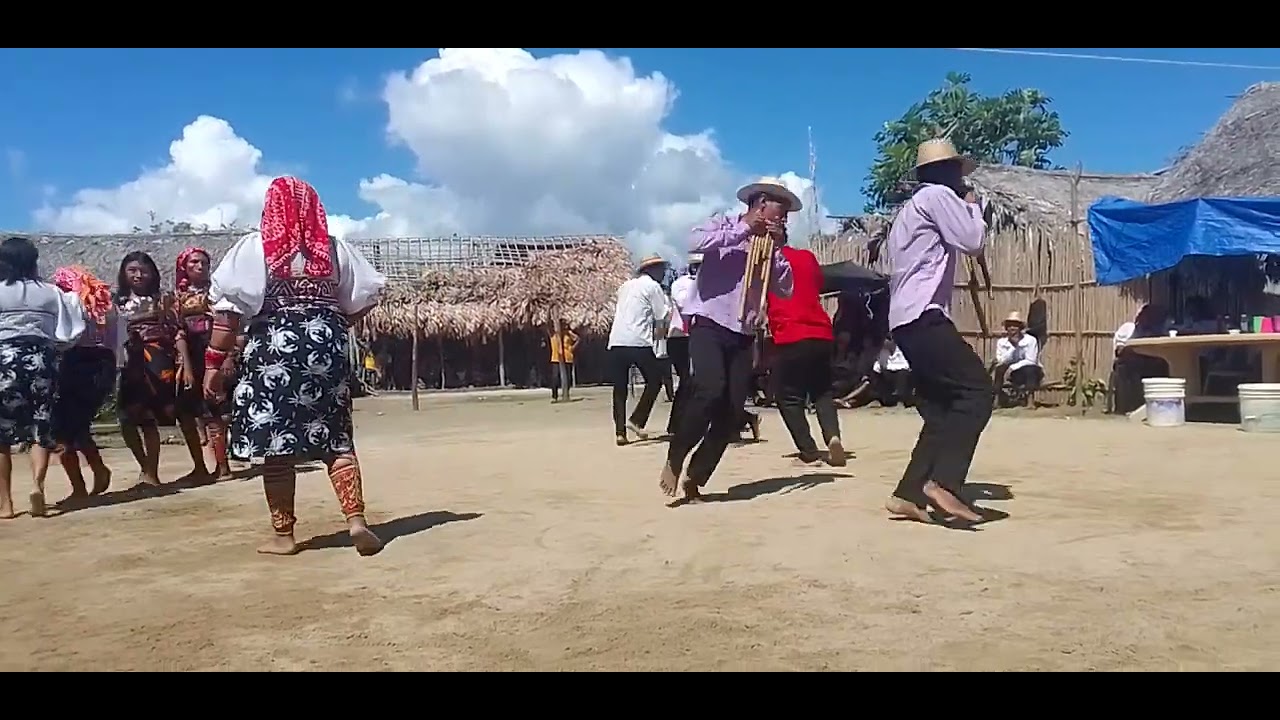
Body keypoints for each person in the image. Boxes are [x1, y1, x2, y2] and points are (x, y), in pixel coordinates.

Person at [204, 176, 387, 557]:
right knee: (336, 437)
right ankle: (356, 521)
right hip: (327, 346)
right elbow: (368, 296)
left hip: (275, 350)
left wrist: (213, 365)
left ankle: (284, 536)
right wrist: (330, 324)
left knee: (277, 444)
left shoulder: (256, 249)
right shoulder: (335, 251)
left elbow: (227, 320)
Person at [660, 177, 796, 502]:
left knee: (732, 411)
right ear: (761, 204)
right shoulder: (724, 224)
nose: (783, 220)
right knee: (709, 389)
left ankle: (696, 477)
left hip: (744, 332)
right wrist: (745, 228)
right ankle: (676, 454)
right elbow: (694, 242)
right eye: (781, 212)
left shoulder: (773, 247)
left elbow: (784, 288)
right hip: (709, 322)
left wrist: (776, 251)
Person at [883, 139, 992, 525]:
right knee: (976, 391)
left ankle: (908, 494)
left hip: (905, 318)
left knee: (945, 408)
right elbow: (973, 241)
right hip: (924, 314)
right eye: (956, 171)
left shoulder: (911, 209)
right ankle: (945, 483)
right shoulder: (939, 198)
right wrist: (972, 205)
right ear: (945, 173)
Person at [0, 237, 86, 518]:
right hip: (42, 360)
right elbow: (70, 332)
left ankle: (5, 504)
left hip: (4, 361)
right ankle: (37, 485)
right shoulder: (51, 293)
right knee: (41, 425)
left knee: (1, 434)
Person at [115, 251, 196, 487]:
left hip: (158, 362)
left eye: (144, 270)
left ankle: (152, 473)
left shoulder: (163, 300)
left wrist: (186, 364)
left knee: (149, 418)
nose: (138, 275)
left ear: (152, 274)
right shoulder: (116, 302)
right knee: (127, 420)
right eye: (132, 270)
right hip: (129, 364)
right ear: (124, 273)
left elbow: (178, 332)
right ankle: (145, 466)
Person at [767, 239, 844, 466]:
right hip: (820, 330)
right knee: (822, 391)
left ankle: (809, 452)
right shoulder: (807, 257)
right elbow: (818, 285)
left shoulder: (763, 262)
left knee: (788, 397)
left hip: (790, 332)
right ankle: (833, 436)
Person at [51, 266, 124, 501]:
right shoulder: (104, 305)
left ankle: (84, 483)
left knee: (67, 430)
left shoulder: (72, 304)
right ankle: (94, 474)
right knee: (73, 428)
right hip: (96, 364)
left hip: (81, 364)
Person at [174, 246, 234, 482]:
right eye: (194, 263)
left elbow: (229, 325)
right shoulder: (176, 298)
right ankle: (199, 466)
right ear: (184, 268)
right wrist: (185, 366)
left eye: (204, 263)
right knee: (186, 411)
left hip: (214, 352)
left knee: (214, 410)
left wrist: (227, 356)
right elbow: (178, 331)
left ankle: (223, 467)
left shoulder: (219, 293)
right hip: (191, 356)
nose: (200, 267)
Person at [606, 254, 669, 445]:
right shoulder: (653, 287)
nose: (663, 273)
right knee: (655, 381)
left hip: (616, 340)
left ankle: (620, 432)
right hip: (638, 340)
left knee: (619, 388)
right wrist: (661, 344)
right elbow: (662, 316)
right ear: (653, 270)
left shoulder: (625, 286)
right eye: (661, 269)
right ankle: (637, 420)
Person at [1112, 304, 1171, 414]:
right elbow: (1119, 350)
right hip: (1130, 360)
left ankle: (1160, 403)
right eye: (1145, 315)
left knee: (1162, 366)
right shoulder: (1128, 328)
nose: (1148, 318)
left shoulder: (1156, 330)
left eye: (1151, 316)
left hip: (1149, 361)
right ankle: (1135, 406)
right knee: (1131, 368)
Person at [665, 253, 699, 434]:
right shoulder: (681, 284)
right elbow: (684, 303)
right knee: (687, 381)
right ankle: (676, 425)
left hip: (701, 337)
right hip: (681, 338)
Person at [993, 310, 1044, 404]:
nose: (1012, 328)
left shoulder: (1030, 340)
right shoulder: (1002, 342)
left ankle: (1030, 401)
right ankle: (996, 399)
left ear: (1020, 328)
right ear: (1006, 328)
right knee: (999, 368)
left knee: (1030, 369)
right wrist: (1013, 347)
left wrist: (1012, 367)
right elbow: (1001, 360)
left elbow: (1031, 360)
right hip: (1011, 374)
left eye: (1015, 326)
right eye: (1009, 326)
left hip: (1029, 373)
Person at [547, 321, 578, 402]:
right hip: (556, 358)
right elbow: (547, 323)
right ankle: (555, 396)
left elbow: (578, 339)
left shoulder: (568, 333)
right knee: (555, 378)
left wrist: (572, 348)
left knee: (568, 378)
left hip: (567, 358)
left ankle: (566, 394)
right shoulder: (553, 334)